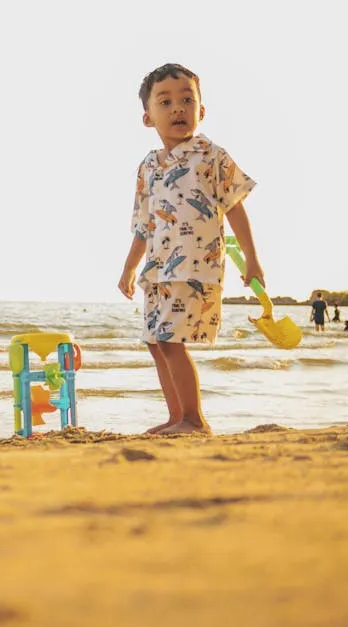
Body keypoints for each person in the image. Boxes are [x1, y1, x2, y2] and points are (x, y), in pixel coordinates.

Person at [117, 63, 261, 436]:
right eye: (166, 102)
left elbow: (235, 207)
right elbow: (143, 225)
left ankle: (194, 420)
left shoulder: (211, 155)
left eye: (187, 100)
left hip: (196, 268)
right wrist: (129, 269)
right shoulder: (148, 166)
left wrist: (253, 260)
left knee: (169, 339)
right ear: (148, 117)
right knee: (156, 342)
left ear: (201, 110)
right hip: (157, 271)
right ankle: (177, 416)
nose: (178, 108)